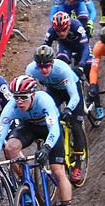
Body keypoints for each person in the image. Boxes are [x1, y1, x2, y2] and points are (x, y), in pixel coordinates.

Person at [0, 75, 75, 206]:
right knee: (10, 147)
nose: (19, 102)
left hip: (49, 130)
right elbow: (0, 135)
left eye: (23, 98)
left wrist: (47, 148)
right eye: (16, 97)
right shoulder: (11, 108)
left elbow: (54, 129)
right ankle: (25, 181)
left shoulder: (44, 100)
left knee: (57, 170)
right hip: (29, 127)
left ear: (33, 95)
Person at [26, 44, 86, 184]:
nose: (44, 70)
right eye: (40, 67)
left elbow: (74, 97)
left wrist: (69, 109)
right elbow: (29, 92)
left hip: (71, 90)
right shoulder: (31, 70)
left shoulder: (62, 69)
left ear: (52, 63)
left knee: (75, 124)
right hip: (53, 90)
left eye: (47, 66)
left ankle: (78, 164)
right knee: (51, 120)